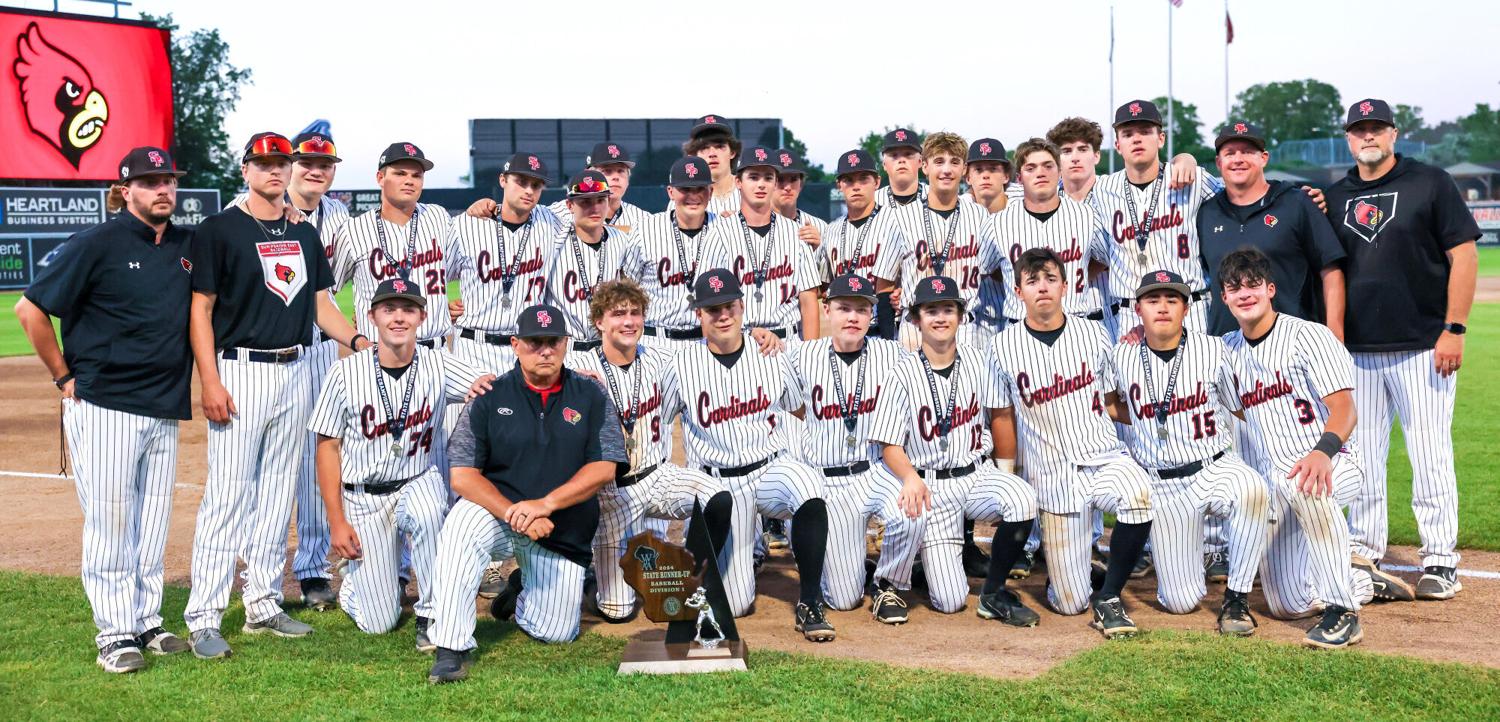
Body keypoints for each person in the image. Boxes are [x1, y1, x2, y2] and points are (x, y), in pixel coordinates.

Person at [183, 132, 367, 659]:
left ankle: (263, 602)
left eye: (280, 163)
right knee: (228, 496)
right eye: (263, 163)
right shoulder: (220, 229)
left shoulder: (304, 233)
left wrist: (356, 340)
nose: (273, 171)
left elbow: (319, 305)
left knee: (276, 495)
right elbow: (200, 310)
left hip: (293, 370)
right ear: (245, 170)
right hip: (240, 370)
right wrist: (209, 380)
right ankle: (204, 615)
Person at [14, 147, 193, 673]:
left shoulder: (184, 245)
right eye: (151, 181)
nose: (164, 189)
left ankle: (147, 620)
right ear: (126, 189)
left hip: (164, 403)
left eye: (169, 181)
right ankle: (114, 634)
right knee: (111, 521)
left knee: (153, 520)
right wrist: (64, 377)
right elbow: (30, 309)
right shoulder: (96, 243)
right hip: (104, 403)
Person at [1329, 98, 1481, 602]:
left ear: (1394, 134)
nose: (1368, 136)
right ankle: (1365, 549)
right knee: (1364, 454)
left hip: (1423, 344)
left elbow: (1462, 255)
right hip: (1358, 351)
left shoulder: (1430, 181)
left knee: (1429, 451)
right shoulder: (1336, 195)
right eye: (1359, 130)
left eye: (1376, 128)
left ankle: (1439, 558)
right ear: (1348, 139)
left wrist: (1454, 328)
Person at [426, 303, 626, 683]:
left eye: (553, 341)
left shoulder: (590, 393)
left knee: (555, 633)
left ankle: (520, 590)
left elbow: (605, 466)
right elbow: (463, 476)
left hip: (561, 524)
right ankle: (450, 646)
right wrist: (514, 513)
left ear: (567, 344)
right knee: (460, 525)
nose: (545, 350)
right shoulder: (489, 395)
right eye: (535, 342)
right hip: (499, 515)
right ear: (515, 344)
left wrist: (545, 505)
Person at [307, 278, 492, 648]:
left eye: (407, 309)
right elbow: (327, 448)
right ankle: (358, 584)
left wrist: (567, 379)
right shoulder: (345, 373)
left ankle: (432, 612)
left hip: (416, 480)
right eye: (389, 309)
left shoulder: (438, 363)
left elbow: (493, 385)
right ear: (372, 316)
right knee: (379, 622)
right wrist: (337, 522)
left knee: (429, 508)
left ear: (422, 317)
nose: (398, 318)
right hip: (364, 497)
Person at [658, 268, 836, 641]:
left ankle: (809, 601)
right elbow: (659, 421)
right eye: (712, 310)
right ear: (699, 315)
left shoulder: (768, 352)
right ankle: (737, 559)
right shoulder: (680, 364)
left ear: (742, 307)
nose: (722, 315)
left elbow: (798, 409)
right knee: (738, 604)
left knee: (808, 485)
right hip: (719, 487)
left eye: (729, 306)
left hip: (769, 470)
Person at [989, 248, 1154, 638]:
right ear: (1017, 291)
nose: (1042, 287)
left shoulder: (1094, 333)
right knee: (1068, 602)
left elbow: (1113, 400)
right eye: (1032, 281)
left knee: (1138, 494)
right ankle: (1083, 574)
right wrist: (1007, 479)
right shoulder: (1001, 346)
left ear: (1066, 286)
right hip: (1054, 475)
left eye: (1049, 279)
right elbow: (1002, 417)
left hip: (1103, 458)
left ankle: (1110, 596)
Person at [1217, 248, 1375, 648]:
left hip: (1335, 460)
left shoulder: (1309, 336)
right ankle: (1359, 578)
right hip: (1279, 482)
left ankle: (1343, 613)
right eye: (1234, 288)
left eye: (1253, 284)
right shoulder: (1225, 351)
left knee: (1309, 487)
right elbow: (1235, 411)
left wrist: (1322, 451)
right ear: (1224, 298)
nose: (1245, 293)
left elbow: (1344, 409)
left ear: (1271, 289)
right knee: (1288, 604)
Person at [869, 275, 1040, 625]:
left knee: (1021, 497)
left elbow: (1000, 416)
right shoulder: (900, 373)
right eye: (931, 311)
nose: (941, 318)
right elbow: (889, 445)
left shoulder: (980, 361)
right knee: (950, 601)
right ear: (916, 319)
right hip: (931, 487)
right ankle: (901, 575)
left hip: (976, 475)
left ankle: (993, 593)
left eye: (948, 309)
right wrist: (910, 478)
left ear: (961, 316)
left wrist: (1004, 475)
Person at [230, 130, 353, 610]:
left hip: (321, 345)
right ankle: (251, 565)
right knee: (264, 464)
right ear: (289, 165)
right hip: (266, 348)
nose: (315, 171)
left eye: (325, 165)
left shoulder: (341, 218)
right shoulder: (252, 210)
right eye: (306, 162)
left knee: (316, 453)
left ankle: (312, 569)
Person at [1109, 270, 1270, 635]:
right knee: (1180, 602)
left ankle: (1237, 598)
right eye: (1153, 300)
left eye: (1172, 300)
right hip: (1162, 483)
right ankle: (1195, 566)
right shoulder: (1122, 355)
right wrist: (1143, 418)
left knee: (1252, 489)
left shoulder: (1213, 350)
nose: (1162, 307)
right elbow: (1108, 402)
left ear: (1186, 308)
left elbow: (1238, 408)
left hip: (1213, 467)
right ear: (1138, 310)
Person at [565, 279, 733, 621]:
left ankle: (696, 586)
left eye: (635, 313)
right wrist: (570, 390)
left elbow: (716, 349)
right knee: (618, 611)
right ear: (599, 322)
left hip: (658, 476)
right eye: (618, 314)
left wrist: (763, 335)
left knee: (715, 498)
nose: (628, 321)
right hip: (612, 495)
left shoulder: (662, 358)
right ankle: (587, 579)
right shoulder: (577, 369)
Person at [786, 274, 921, 624]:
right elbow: (785, 406)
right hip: (829, 481)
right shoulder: (803, 355)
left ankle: (887, 583)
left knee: (914, 511)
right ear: (826, 309)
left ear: (871, 316)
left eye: (861, 310)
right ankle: (849, 559)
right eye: (844, 308)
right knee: (843, 600)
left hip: (875, 469)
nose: (852, 318)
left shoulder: (890, 353)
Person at [1198, 121, 1347, 339]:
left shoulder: (1296, 202)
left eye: (1248, 152)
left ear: (1264, 158)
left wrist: (1335, 338)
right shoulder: (1206, 213)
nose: (1238, 159)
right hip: (1226, 348)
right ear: (1219, 162)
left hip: (1291, 345)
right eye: (1230, 153)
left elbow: (1331, 272)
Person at [1090, 100, 1223, 335]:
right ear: (1118, 145)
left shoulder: (1191, 177)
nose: (1137, 139)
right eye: (1128, 134)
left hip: (1190, 309)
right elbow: (1101, 252)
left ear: (1160, 139)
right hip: (1131, 313)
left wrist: (1186, 157)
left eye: (1145, 131)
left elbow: (1241, 197)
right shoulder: (1103, 189)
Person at [331, 142, 454, 349]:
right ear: (380, 178)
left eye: (417, 176)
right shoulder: (353, 230)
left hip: (436, 352)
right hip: (378, 353)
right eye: (400, 173)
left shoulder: (438, 217)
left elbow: (458, 270)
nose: (409, 181)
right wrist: (353, 337)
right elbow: (327, 294)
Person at [889, 131, 1002, 351]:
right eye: (939, 161)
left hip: (965, 326)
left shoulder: (978, 215)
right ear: (925, 166)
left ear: (964, 169)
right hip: (915, 326)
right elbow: (885, 283)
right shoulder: (900, 217)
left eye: (955, 162)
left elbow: (993, 271)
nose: (947, 170)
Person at [702, 146, 823, 343]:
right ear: (738, 182)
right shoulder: (719, 234)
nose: (761, 184)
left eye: (768, 177)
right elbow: (709, 299)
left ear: (775, 183)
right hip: (739, 341)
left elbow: (808, 300)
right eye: (754, 177)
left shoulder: (795, 232)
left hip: (788, 341)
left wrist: (810, 351)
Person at [989, 138, 1108, 327]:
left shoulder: (1086, 215)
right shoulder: (997, 223)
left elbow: (1109, 259)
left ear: (1060, 172)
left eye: (1048, 166)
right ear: (1019, 178)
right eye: (1031, 168)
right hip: (1019, 328)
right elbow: (985, 269)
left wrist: (1080, 269)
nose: (1040, 173)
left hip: (1075, 325)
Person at [621, 156, 719, 353]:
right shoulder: (645, 230)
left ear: (710, 192)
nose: (693, 195)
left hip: (707, 342)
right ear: (671, 192)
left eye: (699, 188)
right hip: (654, 342)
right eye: (685, 189)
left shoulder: (727, 231)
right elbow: (627, 288)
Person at [821, 149, 908, 340]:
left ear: (876, 182)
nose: (856, 186)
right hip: (845, 333)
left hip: (891, 328)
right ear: (839, 185)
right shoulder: (831, 231)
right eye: (849, 181)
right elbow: (823, 286)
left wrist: (906, 290)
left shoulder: (898, 222)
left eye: (863, 179)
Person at [543, 170, 632, 351]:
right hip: (565, 350)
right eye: (585, 202)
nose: (595, 208)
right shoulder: (553, 239)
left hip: (606, 348)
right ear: (569, 205)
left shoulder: (622, 240)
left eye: (600, 200)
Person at [548, 141, 650, 232]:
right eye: (607, 171)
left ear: (628, 179)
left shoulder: (643, 220)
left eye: (621, 171)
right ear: (588, 176)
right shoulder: (556, 215)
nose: (616, 177)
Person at [683, 114, 742, 217]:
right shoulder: (683, 195)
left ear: (732, 152)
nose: (712, 154)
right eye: (704, 148)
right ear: (693, 155)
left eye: (719, 146)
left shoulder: (751, 189)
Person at [771, 147, 828, 250]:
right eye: (780, 179)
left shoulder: (820, 227)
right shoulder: (756, 226)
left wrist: (818, 250)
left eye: (793, 179)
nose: (787, 187)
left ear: (801, 184)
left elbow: (829, 265)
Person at [875, 128, 927, 208]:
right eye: (894, 155)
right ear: (884, 164)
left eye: (908, 154)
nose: (901, 160)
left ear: (920, 161)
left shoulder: (937, 196)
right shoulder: (872, 201)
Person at [966, 137, 1011, 214]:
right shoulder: (960, 212)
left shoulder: (1022, 210)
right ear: (968, 178)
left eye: (993, 169)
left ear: (1006, 176)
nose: (985, 175)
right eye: (978, 169)